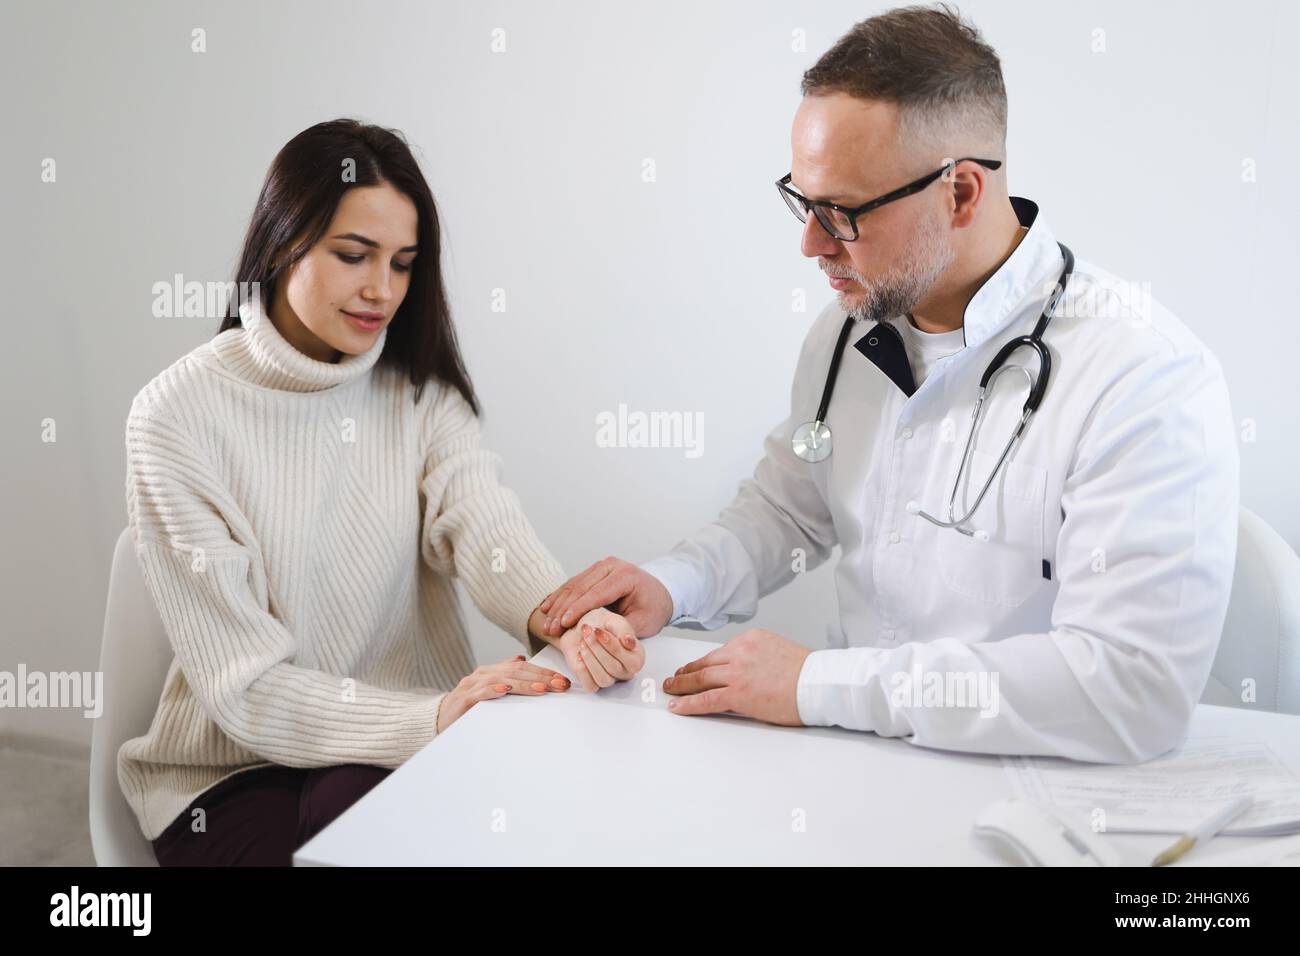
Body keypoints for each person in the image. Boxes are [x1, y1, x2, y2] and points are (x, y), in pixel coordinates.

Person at [537, 4, 1239, 764]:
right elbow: (788, 512)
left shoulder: (1143, 375)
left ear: (961, 193)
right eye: (802, 201)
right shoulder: (849, 329)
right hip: (860, 766)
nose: (809, 244)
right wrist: (671, 585)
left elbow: (1129, 691)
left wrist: (818, 686)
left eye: (840, 212)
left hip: (1044, 797)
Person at [122, 119, 645, 865]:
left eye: (403, 263)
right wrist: (433, 716)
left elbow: (484, 528)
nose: (382, 290)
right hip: (233, 770)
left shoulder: (420, 392)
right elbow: (246, 691)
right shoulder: (176, 415)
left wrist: (571, 620)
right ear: (282, 242)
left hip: (408, 740)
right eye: (353, 255)